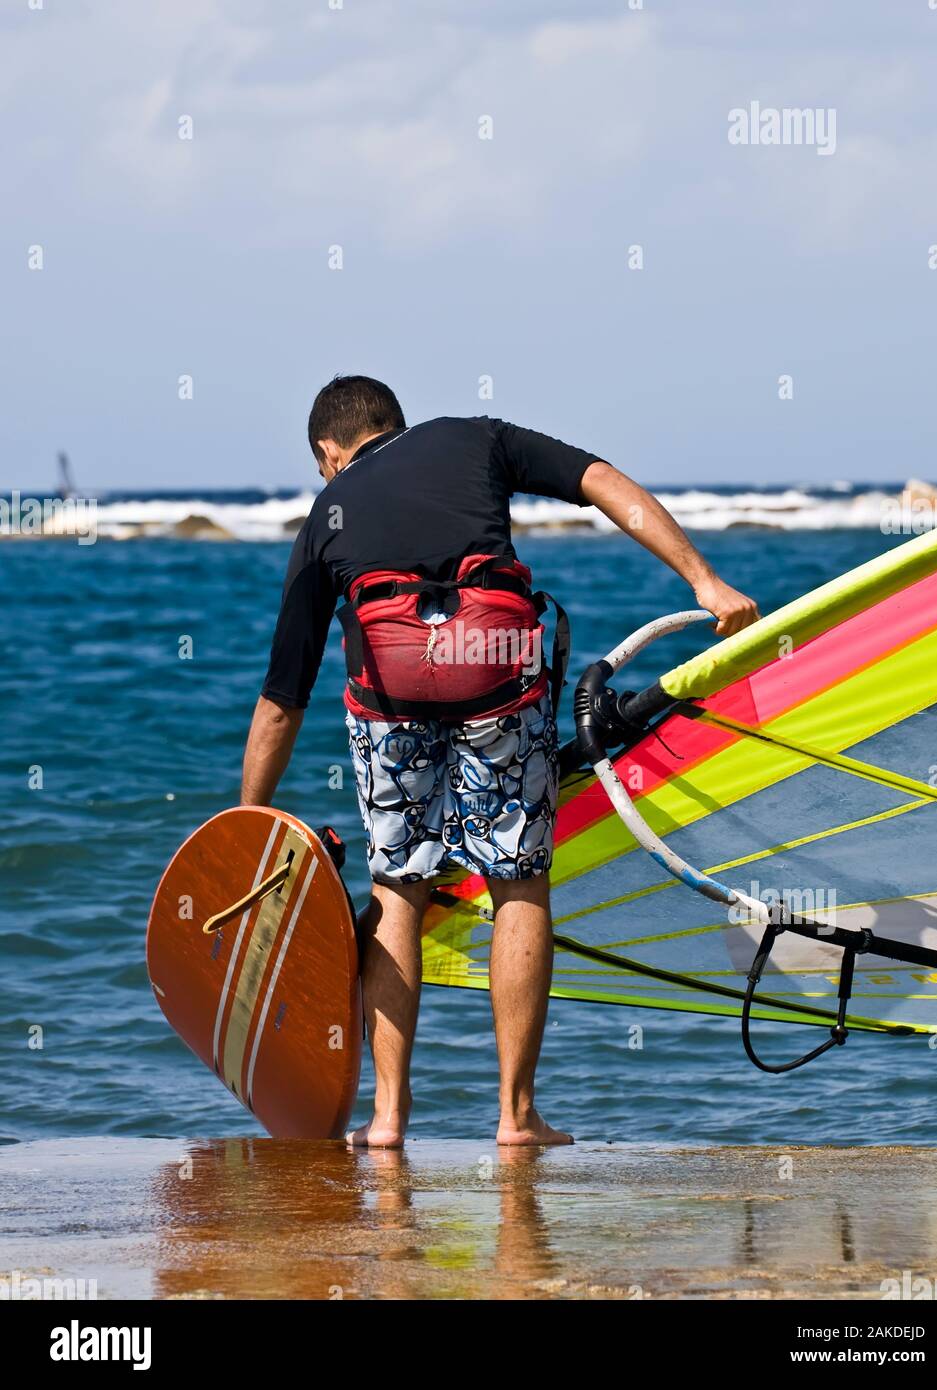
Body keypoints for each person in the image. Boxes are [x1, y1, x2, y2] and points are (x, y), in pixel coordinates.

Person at [241, 375, 760, 1148]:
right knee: (517, 879)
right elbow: (602, 482)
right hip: (494, 672)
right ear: (396, 425)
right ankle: (516, 1116)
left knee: (397, 890)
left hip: (391, 701)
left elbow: (284, 696)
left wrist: (248, 820)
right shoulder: (473, 436)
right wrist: (703, 580)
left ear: (329, 452)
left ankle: (386, 1119)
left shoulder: (328, 512)